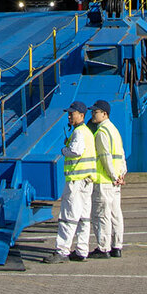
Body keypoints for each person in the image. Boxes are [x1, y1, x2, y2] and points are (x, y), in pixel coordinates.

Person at [44, 101, 96, 262]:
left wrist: (64, 150)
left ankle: (62, 251)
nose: (69, 116)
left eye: (72, 114)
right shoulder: (87, 132)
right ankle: (81, 250)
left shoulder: (79, 133)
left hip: (76, 181)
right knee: (83, 217)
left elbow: (75, 151)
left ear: (81, 115)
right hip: (87, 181)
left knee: (68, 216)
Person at [89, 100, 127, 258]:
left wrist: (112, 175)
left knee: (101, 214)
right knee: (115, 213)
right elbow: (121, 154)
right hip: (116, 180)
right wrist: (121, 175)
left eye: (95, 112)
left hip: (105, 180)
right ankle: (117, 246)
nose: (93, 115)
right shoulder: (114, 130)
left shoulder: (102, 132)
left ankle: (103, 248)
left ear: (104, 114)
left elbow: (105, 157)